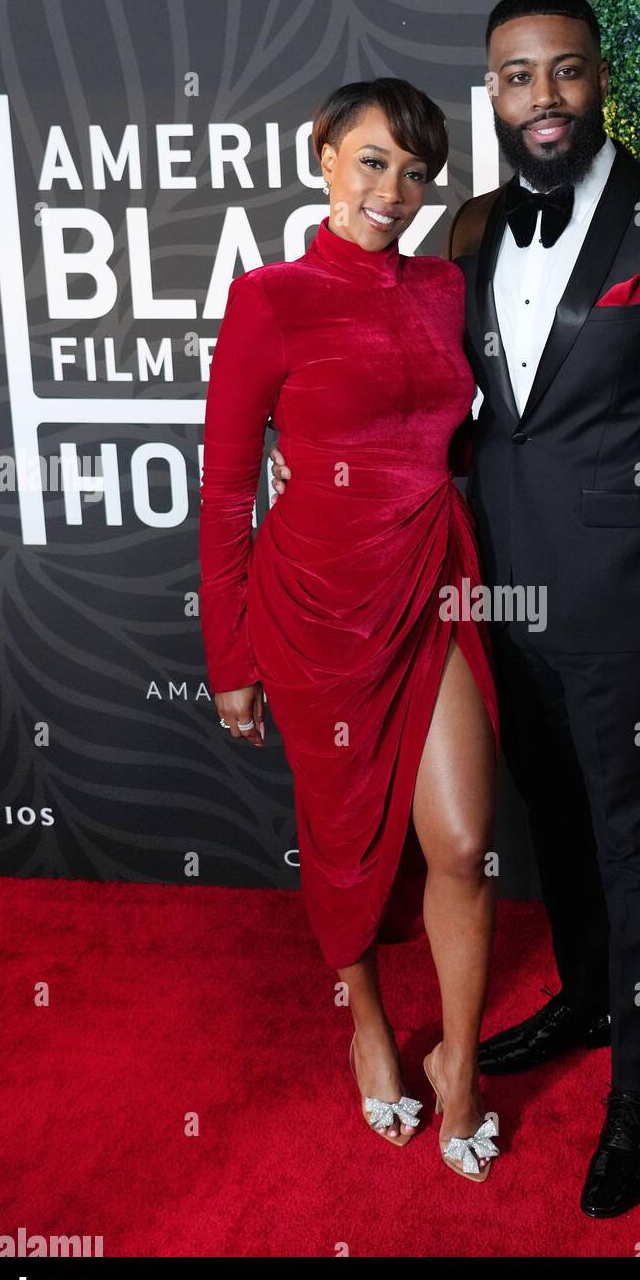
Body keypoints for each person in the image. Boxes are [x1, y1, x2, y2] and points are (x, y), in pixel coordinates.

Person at [270, 0, 640, 1216]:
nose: (540, 97)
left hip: (637, 612)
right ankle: (589, 1001)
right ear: (489, 89)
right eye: (514, 76)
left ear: (599, 80)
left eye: (564, 72)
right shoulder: (469, 232)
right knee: (550, 826)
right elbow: (440, 406)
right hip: (489, 601)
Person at [198, 78, 503, 1183]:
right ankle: (367, 1018)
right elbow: (227, 488)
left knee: (463, 843)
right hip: (317, 606)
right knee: (342, 847)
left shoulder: (444, 288)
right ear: (320, 154)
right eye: (372, 162)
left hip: (432, 583)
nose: (394, 191)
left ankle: (459, 1069)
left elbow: (458, 425)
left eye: (416, 172)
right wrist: (229, 658)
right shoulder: (269, 299)